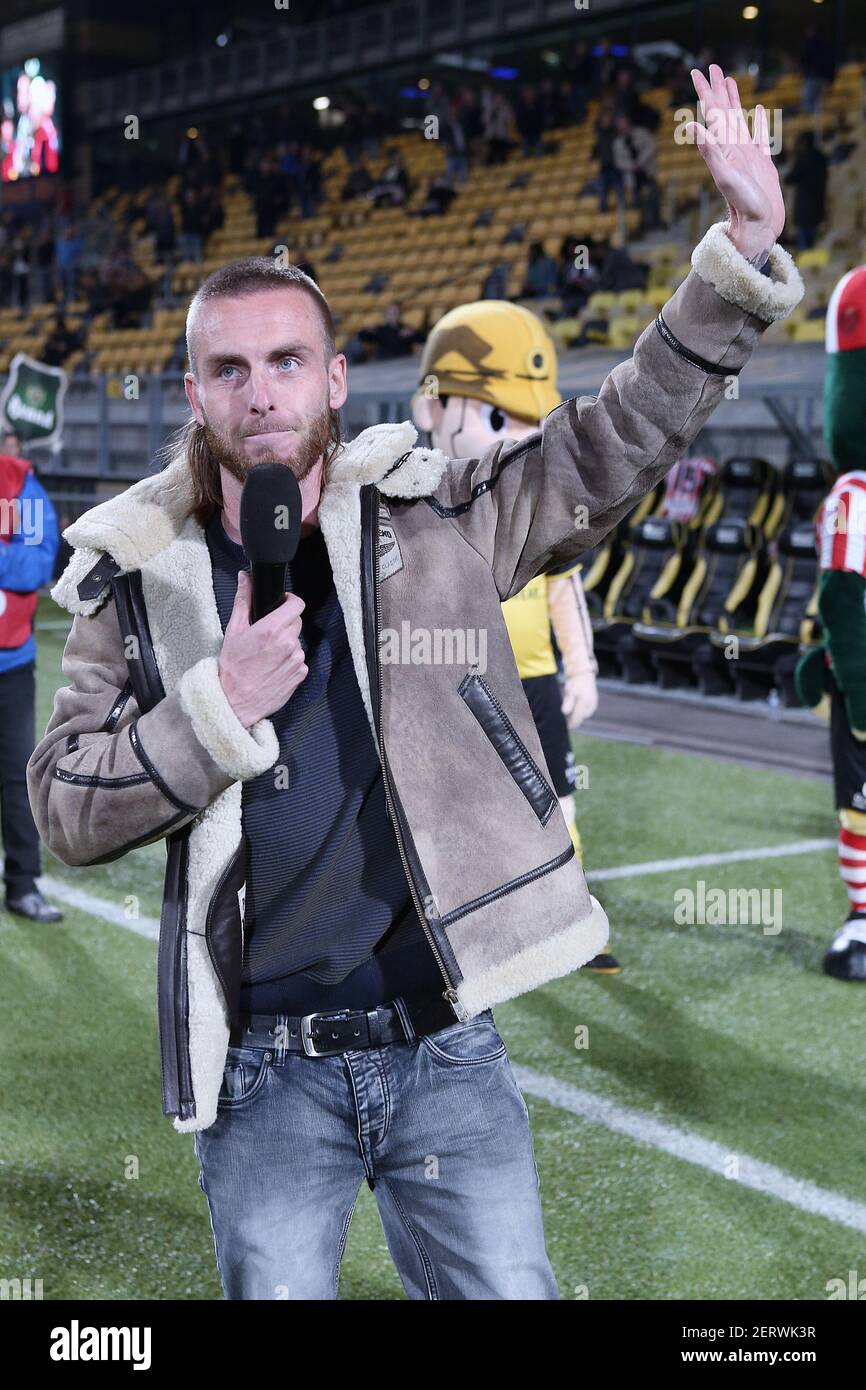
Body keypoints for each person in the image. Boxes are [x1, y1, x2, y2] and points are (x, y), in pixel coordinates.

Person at [28, 65, 803, 1300]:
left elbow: (605, 449)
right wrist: (214, 706)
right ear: (194, 392)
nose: (262, 390)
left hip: (447, 1043)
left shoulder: (428, 516)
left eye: (289, 360)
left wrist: (735, 262)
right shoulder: (137, 574)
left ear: (337, 380)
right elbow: (64, 805)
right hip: (261, 1074)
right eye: (230, 368)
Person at [412, 298, 620, 973]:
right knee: (452, 803)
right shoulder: (419, 512)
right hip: (459, 687)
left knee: (558, 797)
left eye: (530, 423)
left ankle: (569, 916)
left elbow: (566, 596)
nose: (512, 441)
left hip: (532, 680)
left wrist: (581, 669)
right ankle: (461, 924)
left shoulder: (543, 518)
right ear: (430, 408)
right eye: (497, 417)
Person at [796, 265, 866, 980]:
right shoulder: (854, 493)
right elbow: (841, 593)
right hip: (863, 685)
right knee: (861, 806)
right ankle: (862, 918)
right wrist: (852, 672)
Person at [0, 434, 61, 922]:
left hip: (10, 664)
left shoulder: (21, 487)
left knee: (16, 774)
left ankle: (22, 884)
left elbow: (37, 562)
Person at [786, 130, 827, 251]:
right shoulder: (821, 157)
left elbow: (791, 178)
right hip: (818, 201)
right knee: (814, 238)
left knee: (804, 238)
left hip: (804, 203)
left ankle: (806, 265)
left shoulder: (802, 158)